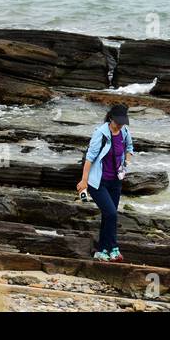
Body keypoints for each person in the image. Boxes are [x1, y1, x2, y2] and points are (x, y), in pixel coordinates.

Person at [76, 104, 134, 261]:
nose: (120, 125)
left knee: (109, 216)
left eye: (123, 122)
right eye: (118, 122)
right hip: (98, 182)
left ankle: (101, 251)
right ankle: (114, 248)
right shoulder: (100, 134)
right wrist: (84, 180)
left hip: (116, 181)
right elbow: (90, 157)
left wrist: (125, 164)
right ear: (111, 118)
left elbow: (130, 148)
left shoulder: (124, 132)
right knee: (111, 213)